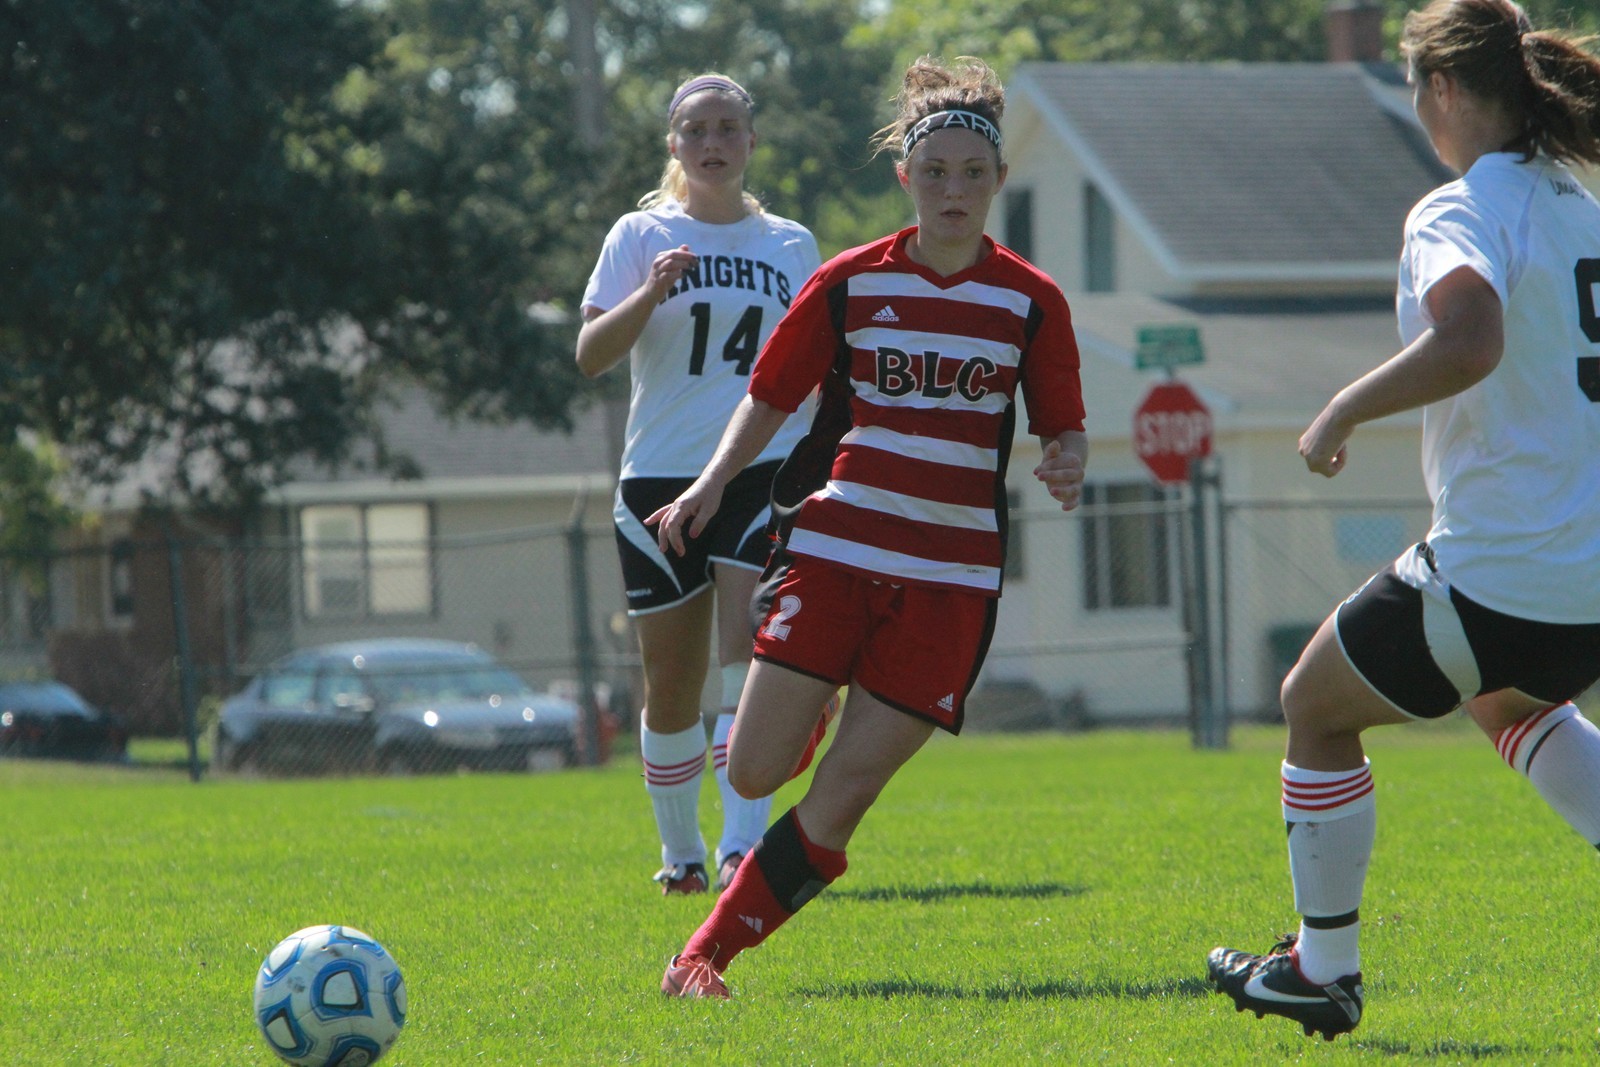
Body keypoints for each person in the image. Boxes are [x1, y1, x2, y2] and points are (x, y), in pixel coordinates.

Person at [649, 55, 1089, 998]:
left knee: (842, 801)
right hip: (837, 553)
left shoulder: (1032, 301)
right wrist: (709, 486)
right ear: (906, 180)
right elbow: (769, 398)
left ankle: (703, 956)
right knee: (758, 765)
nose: (954, 190)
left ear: (999, 182)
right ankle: (808, 707)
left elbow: (1066, 431)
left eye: (974, 175)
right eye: (935, 173)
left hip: (950, 583)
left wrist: (1066, 461)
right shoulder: (850, 283)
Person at [1207, 0, 1600, 1040]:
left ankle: (1322, 970)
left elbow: (1468, 339)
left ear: (1438, 90)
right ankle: (1315, 964)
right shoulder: (1583, 208)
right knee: (1511, 703)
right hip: (1589, 571)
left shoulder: (1458, 207)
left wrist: (1340, 406)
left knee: (1313, 705)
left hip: (1501, 565)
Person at [576, 73, 828, 896]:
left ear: (752, 141)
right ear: (675, 145)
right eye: (696, 129)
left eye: (728, 127)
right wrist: (650, 293)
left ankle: (741, 848)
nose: (713, 142)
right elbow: (590, 355)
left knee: (745, 649)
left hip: (762, 467)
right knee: (673, 682)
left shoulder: (789, 243)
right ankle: (681, 854)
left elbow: (823, 365)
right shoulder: (639, 233)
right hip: (659, 472)